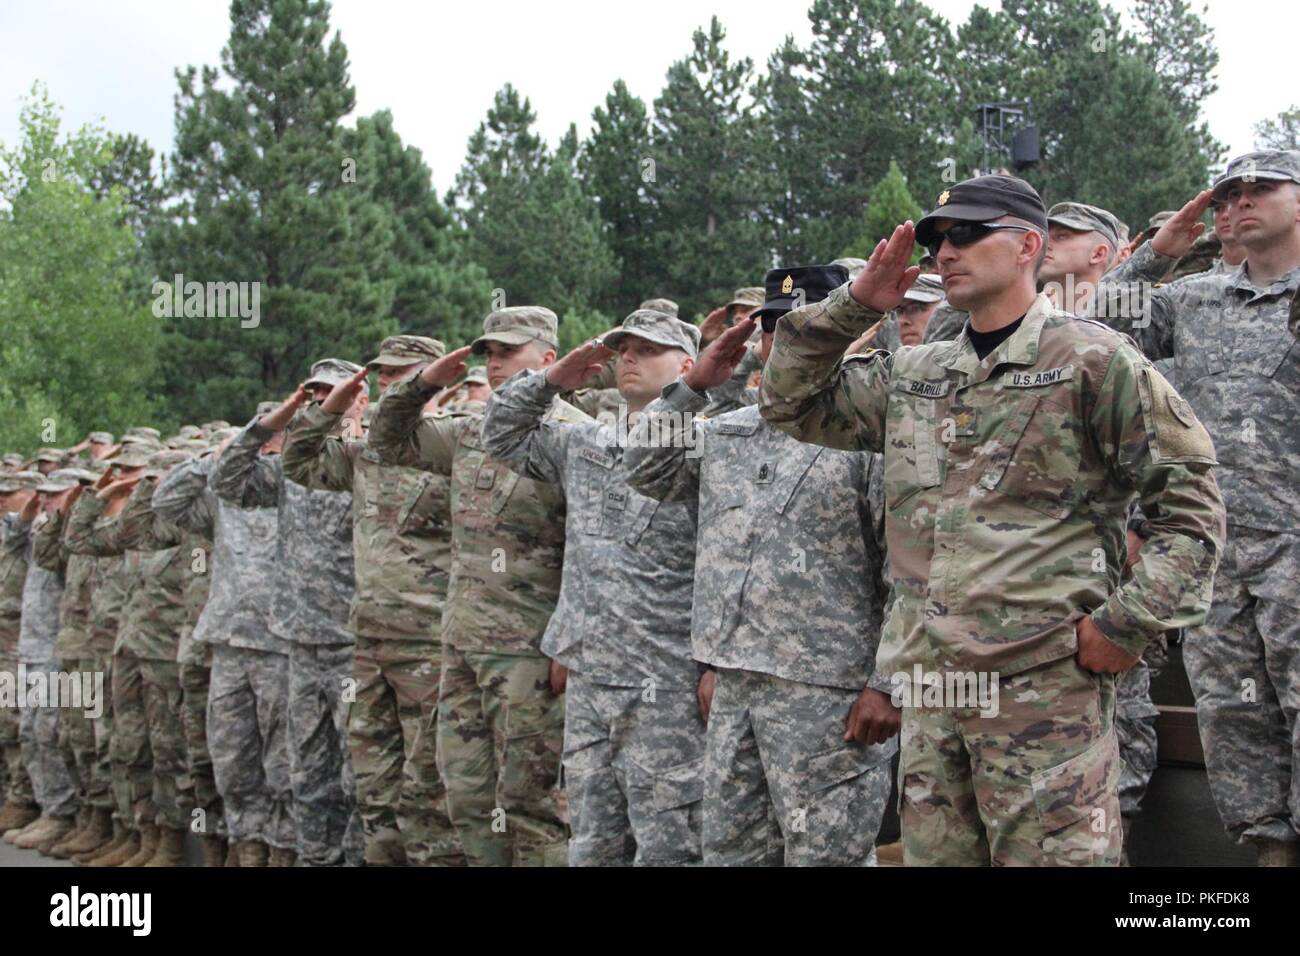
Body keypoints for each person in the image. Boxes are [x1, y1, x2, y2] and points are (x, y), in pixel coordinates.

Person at [758, 174, 1226, 866]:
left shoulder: (1091, 361)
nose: (947, 251)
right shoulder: (916, 373)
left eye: (970, 234)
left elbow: (1191, 506)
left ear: (1028, 245)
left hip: (1043, 691)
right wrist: (855, 305)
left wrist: (1125, 626)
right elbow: (788, 402)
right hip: (933, 690)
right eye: (940, 239)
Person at [625, 265, 898, 866]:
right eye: (773, 329)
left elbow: (903, 568)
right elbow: (644, 470)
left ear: (852, 333)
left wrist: (888, 684)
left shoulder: (871, 433)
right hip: (733, 684)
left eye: (799, 327)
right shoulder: (727, 433)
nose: (780, 343)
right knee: (731, 854)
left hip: (830, 693)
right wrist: (693, 386)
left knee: (827, 858)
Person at [1093, 150, 1300, 865]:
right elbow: (1095, 326)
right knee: (1234, 709)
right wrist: (1157, 254)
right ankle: (1268, 848)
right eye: (1228, 193)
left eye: (1261, 189)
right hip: (1212, 548)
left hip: (1295, 541)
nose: (1239, 203)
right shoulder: (1195, 300)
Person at [481, 309, 705, 866]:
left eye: (648, 349)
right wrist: (555, 378)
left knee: (670, 842)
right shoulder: (584, 443)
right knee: (591, 839)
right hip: (591, 673)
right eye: (623, 347)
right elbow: (502, 433)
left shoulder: (710, 446)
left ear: (688, 365)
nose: (629, 357)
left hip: (666, 677)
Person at [367, 308, 589, 866]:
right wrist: (423, 384)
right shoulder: (471, 430)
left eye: (507, 352)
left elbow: (591, 550)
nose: (493, 364)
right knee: (466, 798)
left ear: (547, 358)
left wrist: (571, 637)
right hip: (463, 642)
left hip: (529, 649)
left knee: (534, 806)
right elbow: (389, 441)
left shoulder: (574, 436)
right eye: (488, 353)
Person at [281, 335, 466, 867]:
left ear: (432, 377)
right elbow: (298, 463)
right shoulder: (366, 455)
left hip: (431, 643)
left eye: (402, 373)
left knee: (430, 789)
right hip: (369, 642)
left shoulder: (455, 444)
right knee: (374, 787)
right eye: (383, 374)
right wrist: (331, 406)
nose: (391, 383)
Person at [213, 359, 367, 867]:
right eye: (314, 396)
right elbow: (226, 479)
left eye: (333, 394)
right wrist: (276, 420)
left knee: (358, 777)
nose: (322, 404)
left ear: (358, 399)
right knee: (306, 775)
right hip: (299, 644)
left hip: (354, 647)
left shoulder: (371, 459)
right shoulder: (291, 472)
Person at [152, 417, 287, 866]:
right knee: (231, 760)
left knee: (284, 763)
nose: (265, 446)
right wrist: (215, 458)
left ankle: (282, 851)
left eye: (272, 438)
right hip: (228, 640)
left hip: (281, 643)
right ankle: (246, 848)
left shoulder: (300, 484)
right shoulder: (225, 495)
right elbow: (166, 502)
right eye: (259, 438)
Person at [0, 472, 43, 837]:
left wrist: (32, 507)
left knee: (14, 722)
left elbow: (20, 528)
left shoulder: (26, 530)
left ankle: (21, 798)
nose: (2, 499)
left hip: (17, 641)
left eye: (9, 494)